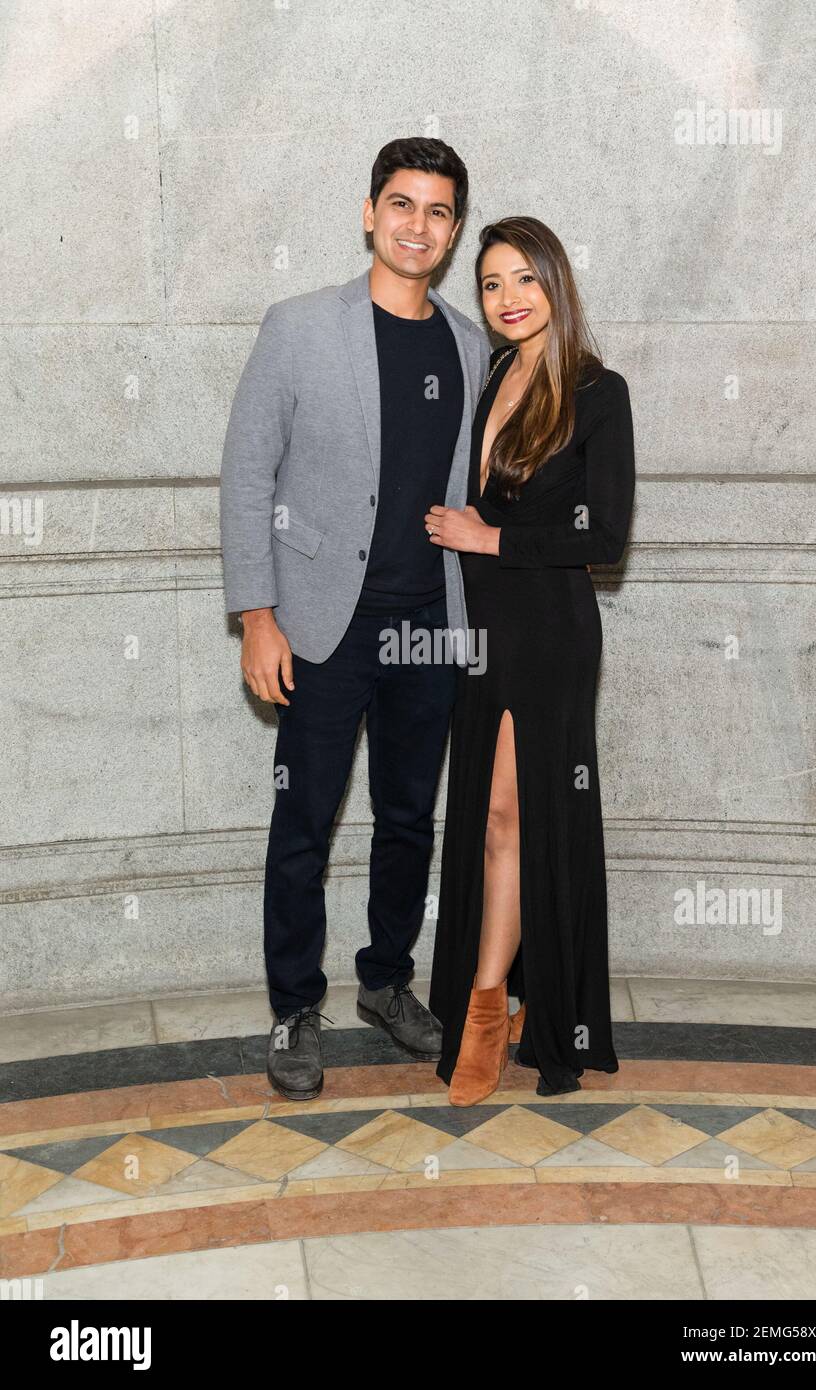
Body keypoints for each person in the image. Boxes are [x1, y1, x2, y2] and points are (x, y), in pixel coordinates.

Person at [219, 137, 489, 1100]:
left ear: (454, 231)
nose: (420, 226)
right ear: (370, 214)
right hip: (321, 628)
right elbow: (248, 473)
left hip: (430, 626)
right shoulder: (298, 328)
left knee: (409, 817)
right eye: (403, 205)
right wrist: (257, 613)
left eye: (440, 211)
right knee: (304, 823)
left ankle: (386, 979)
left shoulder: (470, 346)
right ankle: (296, 1006)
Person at [426, 216, 636, 1101]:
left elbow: (606, 534)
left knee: (514, 815)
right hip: (482, 632)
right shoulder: (489, 378)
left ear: (555, 282)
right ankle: (506, 998)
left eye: (523, 280)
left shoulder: (598, 391)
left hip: (550, 631)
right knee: (486, 817)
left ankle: (490, 1007)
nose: (507, 299)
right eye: (489, 285)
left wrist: (491, 536)